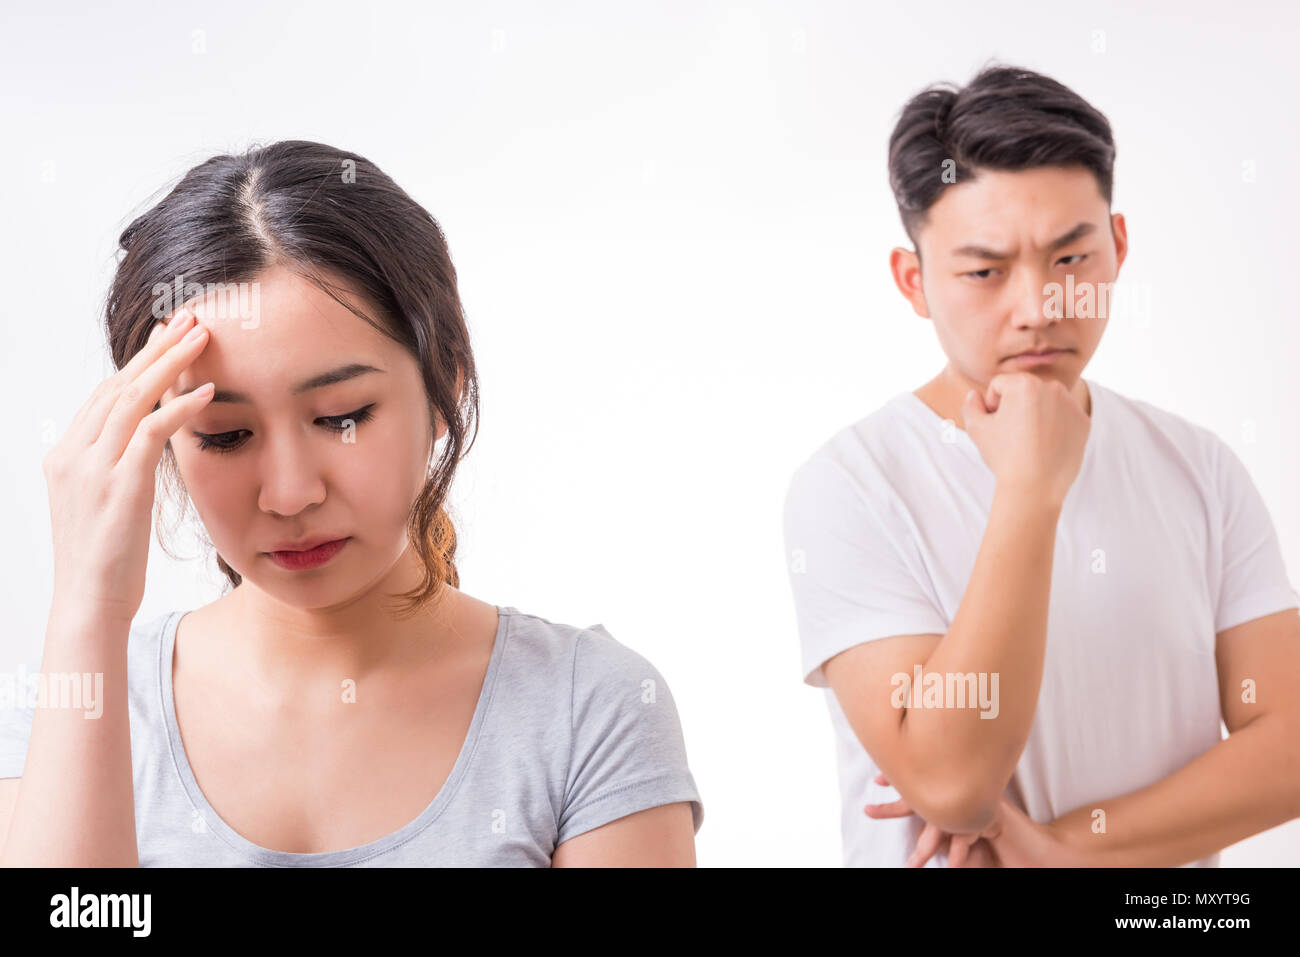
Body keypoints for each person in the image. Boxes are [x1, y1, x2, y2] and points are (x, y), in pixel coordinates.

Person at [0, 140, 703, 867]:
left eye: (343, 416)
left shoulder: (588, 710)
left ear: (444, 387)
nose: (290, 492)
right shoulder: (76, 707)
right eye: (227, 434)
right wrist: (86, 604)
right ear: (164, 440)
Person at [782, 64, 1300, 867]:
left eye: (1070, 259)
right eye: (984, 272)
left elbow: (1290, 745)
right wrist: (1030, 487)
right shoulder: (853, 485)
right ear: (914, 281)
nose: (1038, 308)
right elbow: (953, 781)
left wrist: (1065, 849)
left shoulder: (1200, 468)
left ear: (1117, 247)